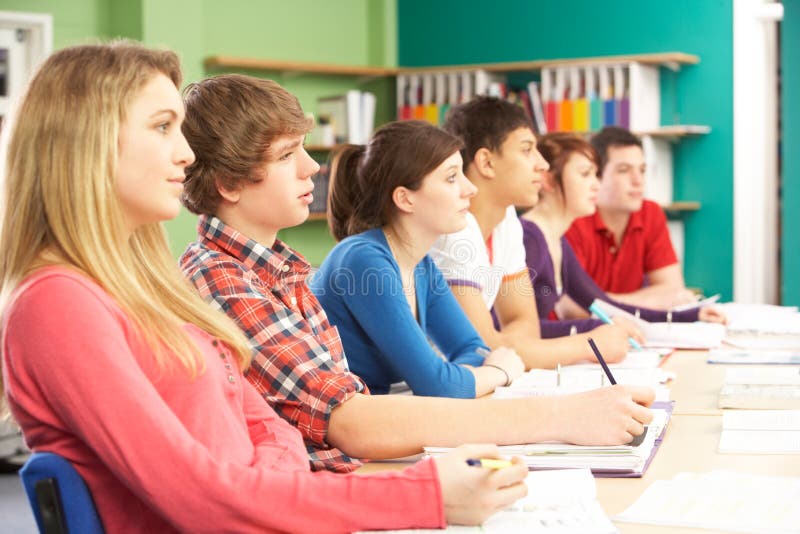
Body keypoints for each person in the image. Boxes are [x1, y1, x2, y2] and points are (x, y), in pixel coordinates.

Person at [0, 42, 530, 533]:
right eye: (163, 128)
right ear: (86, 143)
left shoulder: (147, 290)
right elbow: (199, 494)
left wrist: (268, 475)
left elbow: (270, 432)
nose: (186, 155)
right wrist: (427, 496)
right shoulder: (57, 304)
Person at [178, 74, 655, 474]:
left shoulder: (282, 268)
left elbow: (472, 350)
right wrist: (555, 414)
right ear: (228, 182)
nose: (312, 166)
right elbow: (357, 419)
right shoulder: (229, 276)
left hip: (367, 459)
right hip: (346, 471)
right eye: (287, 155)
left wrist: (493, 372)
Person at [309, 120, 525, 399]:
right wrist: (500, 372)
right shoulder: (363, 260)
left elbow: (473, 350)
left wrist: (454, 380)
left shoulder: (421, 265)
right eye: (451, 178)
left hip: (386, 413)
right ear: (405, 199)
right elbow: (438, 384)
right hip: (344, 429)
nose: (470, 188)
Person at [429, 96, 640, 368]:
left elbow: (526, 327)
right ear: (487, 163)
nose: (542, 164)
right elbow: (482, 350)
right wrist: (589, 345)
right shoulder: (454, 230)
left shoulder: (506, 221)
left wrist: (508, 345)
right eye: (527, 150)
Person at [519, 133, 726, 337]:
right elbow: (515, 331)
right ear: (548, 181)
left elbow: (604, 306)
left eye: (596, 174)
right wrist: (600, 329)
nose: (596, 185)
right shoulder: (530, 239)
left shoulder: (557, 241)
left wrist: (692, 315)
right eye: (585, 174)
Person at [565, 126, 696, 310]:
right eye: (624, 170)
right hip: (581, 335)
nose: (638, 180)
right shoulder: (573, 219)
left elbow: (673, 290)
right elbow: (571, 307)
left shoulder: (650, 213)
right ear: (596, 175)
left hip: (631, 331)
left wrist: (603, 302)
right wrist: (650, 301)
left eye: (642, 170)